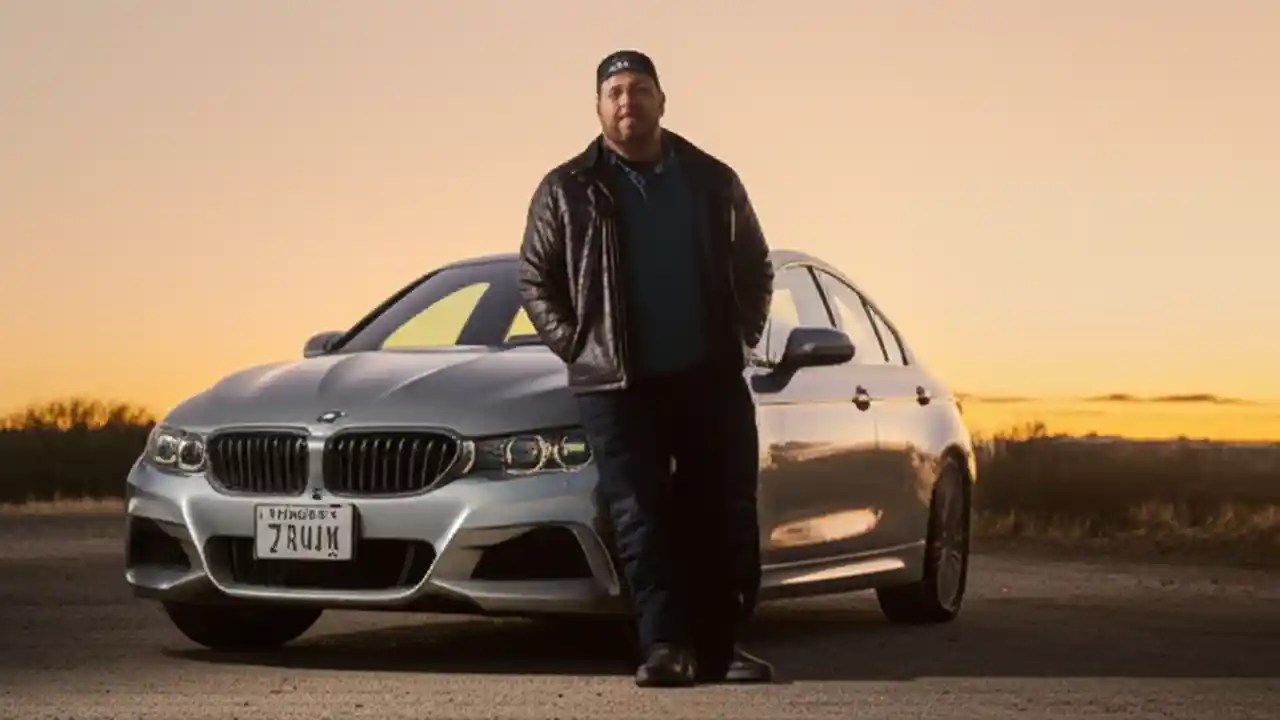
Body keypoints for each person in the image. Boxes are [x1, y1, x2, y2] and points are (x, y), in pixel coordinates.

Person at [516, 49, 775, 687]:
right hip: (617, 386)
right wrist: (578, 343)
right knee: (640, 513)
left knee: (723, 510)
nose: (626, 101)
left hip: (708, 377)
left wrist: (739, 338)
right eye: (614, 92)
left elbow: (756, 268)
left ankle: (721, 647)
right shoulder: (566, 188)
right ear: (599, 108)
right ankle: (665, 647)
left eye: (638, 89)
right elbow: (534, 277)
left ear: (663, 100)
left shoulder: (713, 180)